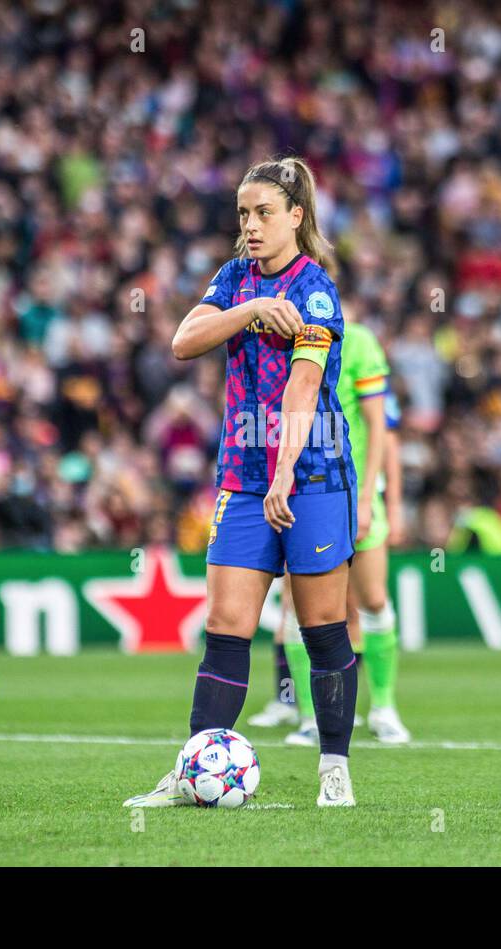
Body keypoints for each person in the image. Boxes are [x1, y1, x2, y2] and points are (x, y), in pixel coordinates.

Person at [123, 157, 361, 807]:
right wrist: (253, 306)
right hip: (242, 477)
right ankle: (194, 766)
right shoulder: (234, 280)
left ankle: (333, 767)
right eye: (242, 215)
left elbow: (304, 389)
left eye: (262, 213)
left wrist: (285, 471)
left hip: (311, 475)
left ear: (296, 216)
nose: (250, 226)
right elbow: (183, 339)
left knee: (321, 630)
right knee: (227, 624)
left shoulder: (315, 291)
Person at [249, 321, 411, 744]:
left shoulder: (359, 342)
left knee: (372, 599)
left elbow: (381, 428)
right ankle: (309, 718)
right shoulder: (272, 341)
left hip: (353, 489)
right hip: (299, 489)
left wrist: (374, 498)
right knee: (296, 608)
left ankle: (384, 707)